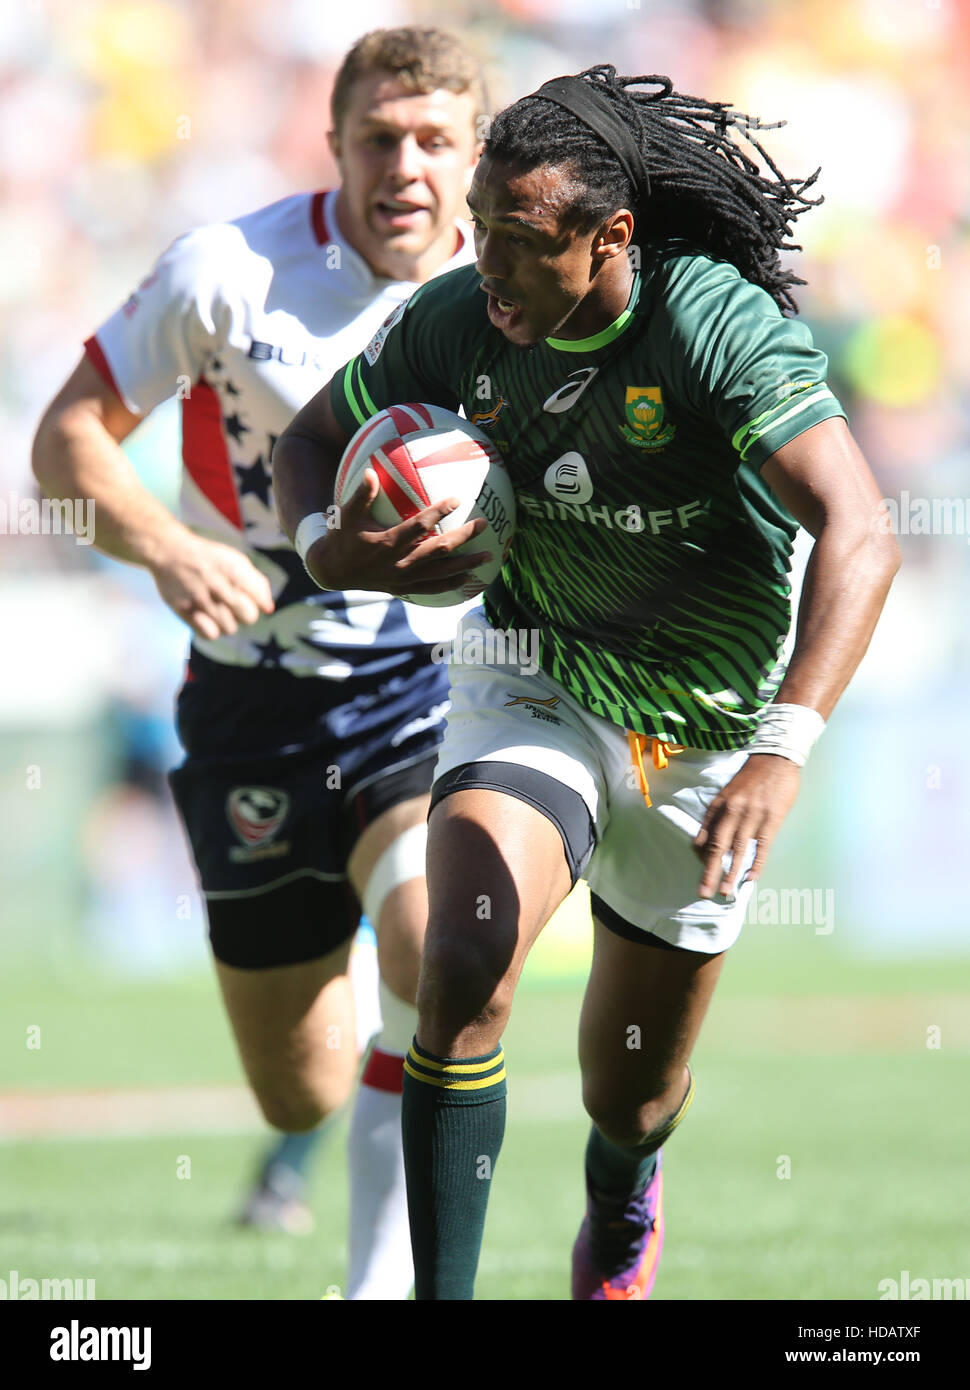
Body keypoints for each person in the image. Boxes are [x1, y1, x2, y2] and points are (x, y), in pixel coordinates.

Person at [274, 65, 901, 1301]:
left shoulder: (709, 323)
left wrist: (783, 745)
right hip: (534, 674)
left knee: (634, 1088)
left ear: (610, 235)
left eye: (518, 239)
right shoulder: (459, 320)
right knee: (464, 959)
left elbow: (861, 527)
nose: (486, 262)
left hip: (705, 727)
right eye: (478, 227)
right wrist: (321, 546)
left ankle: (622, 1197)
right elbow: (306, 440)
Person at [32, 26, 486, 1299]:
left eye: (434, 141)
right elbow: (65, 444)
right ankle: (337, 973)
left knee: (438, 952)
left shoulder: (512, 289)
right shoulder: (225, 271)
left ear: (474, 157)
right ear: (333, 141)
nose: (405, 166)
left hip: (429, 686)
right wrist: (170, 549)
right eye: (378, 138)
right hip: (253, 696)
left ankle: (385, 1285)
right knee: (305, 1081)